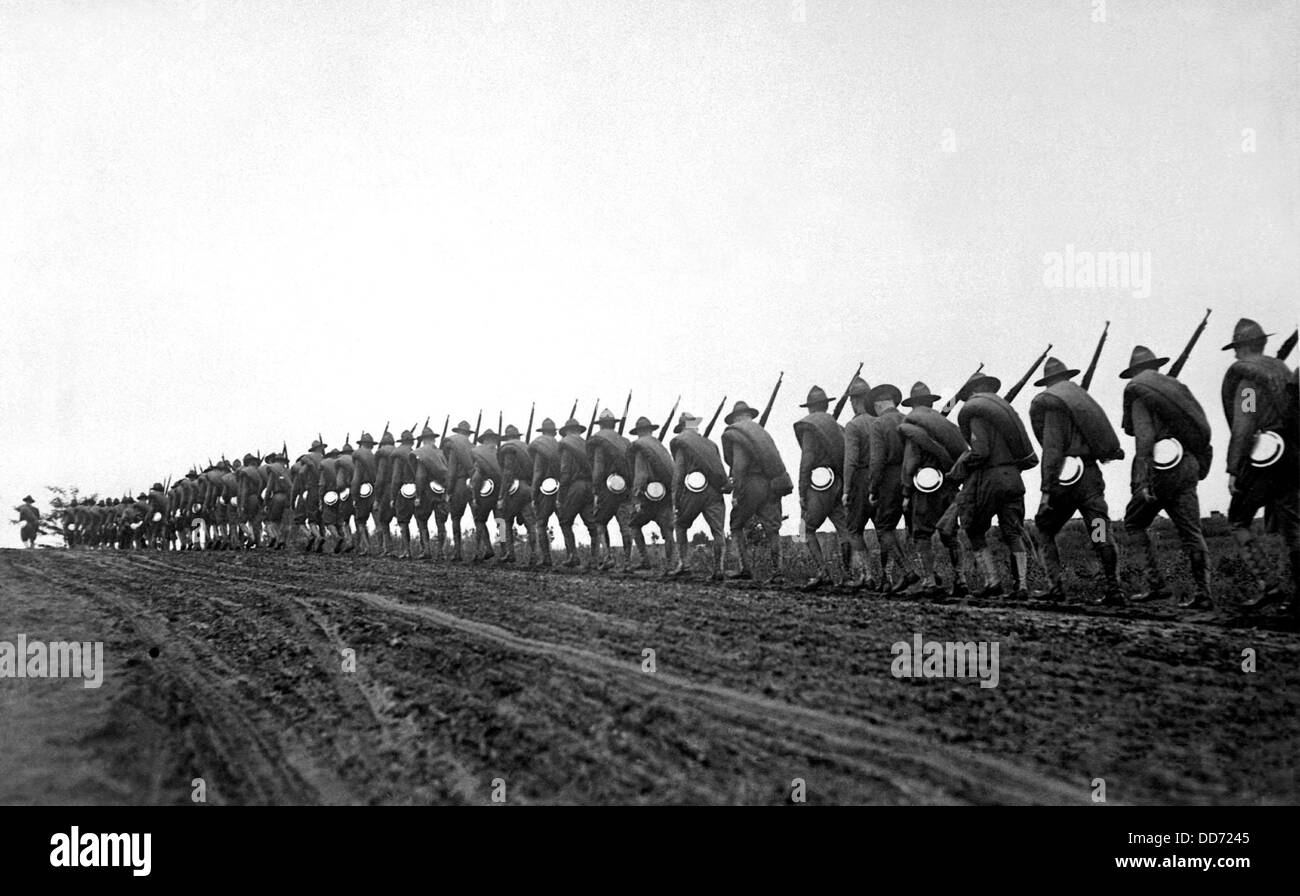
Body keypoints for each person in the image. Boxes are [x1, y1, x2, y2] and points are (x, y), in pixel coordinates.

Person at [1028, 357, 1125, 605]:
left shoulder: (1051, 406)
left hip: (1065, 480)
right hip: (1090, 477)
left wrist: (1046, 492)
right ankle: (1114, 589)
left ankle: (1056, 587)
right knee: (1100, 529)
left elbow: (1052, 450)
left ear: (1047, 382)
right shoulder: (1083, 404)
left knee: (1045, 528)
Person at [1220, 318, 1299, 614]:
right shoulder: (1282, 370)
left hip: (1265, 457)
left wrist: (1233, 469)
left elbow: (1244, 425)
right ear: (1262, 344)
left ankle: (1271, 585)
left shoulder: (1248, 379)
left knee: (1238, 520)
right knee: (1293, 525)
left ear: (1240, 348)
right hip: (1293, 455)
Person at [952, 371, 1037, 600]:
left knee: (974, 529)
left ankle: (993, 582)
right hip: (1013, 477)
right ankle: (1022, 586)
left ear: (971, 392)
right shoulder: (1007, 416)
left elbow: (981, 452)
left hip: (990, 479)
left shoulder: (976, 416)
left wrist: (961, 465)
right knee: (1012, 532)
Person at [898, 381, 970, 597]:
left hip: (925, 488)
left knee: (922, 534)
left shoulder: (914, 429)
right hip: (948, 485)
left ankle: (929, 581)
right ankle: (961, 579)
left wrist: (906, 492)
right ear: (930, 402)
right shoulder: (947, 428)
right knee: (951, 534)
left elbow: (910, 462)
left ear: (912, 406)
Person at [720, 400, 791, 585]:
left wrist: (736, 493)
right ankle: (778, 571)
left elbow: (739, 466)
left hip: (751, 484)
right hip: (771, 484)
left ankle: (745, 568)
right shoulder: (762, 434)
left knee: (736, 525)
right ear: (750, 416)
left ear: (735, 418)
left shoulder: (737, 434)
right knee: (772, 529)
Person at [863, 383, 921, 594]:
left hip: (890, 478)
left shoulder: (878, 424)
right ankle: (928, 577)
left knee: (884, 527)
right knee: (913, 528)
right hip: (914, 477)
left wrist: (872, 488)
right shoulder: (909, 418)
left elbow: (877, 460)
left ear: (878, 405)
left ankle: (907, 572)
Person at [794, 385, 851, 591]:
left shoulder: (809, 427)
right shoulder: (838, 427)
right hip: (838, 482)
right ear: (826, 405)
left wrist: (802, 492)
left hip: (818, 484)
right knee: (845, 530)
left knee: (806, 529)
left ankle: (823, 572)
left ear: (810, 408)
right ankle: (849, 575)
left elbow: (806, 460)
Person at [668, 411, 728, 580]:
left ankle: (684, 564)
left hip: (693, 491)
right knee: (718, 530)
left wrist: (675, 500)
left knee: (680, 525)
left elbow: (679, 473)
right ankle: (719, 569)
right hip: (714, 491)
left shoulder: (681, 443)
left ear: (681, 428)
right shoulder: (711, 444)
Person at [626, 416, 678, 574]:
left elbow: (641, 475)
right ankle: (672, 563)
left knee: (634, 524)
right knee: (667, 530)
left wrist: (635, 497)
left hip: (648, 496)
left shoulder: (640, 449)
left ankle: (644, 560)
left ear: (638, 432)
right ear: (651, 430)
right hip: (666, 494)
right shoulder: (660, 447)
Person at [587, 409, 634, 571]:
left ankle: (608, 557)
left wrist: (595, 490)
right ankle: (628, 562)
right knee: (625, 525)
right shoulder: (625, 441)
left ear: (600, 425)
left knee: (600, 521)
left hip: (607, 489)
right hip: (625, 488)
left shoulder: (598, 442)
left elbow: (598, 469)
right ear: (614, 425)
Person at [496, 425, 540, 565]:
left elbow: (508, 472)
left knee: (504, 520)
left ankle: (509, 552)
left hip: (515, 489)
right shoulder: (527, 447)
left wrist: (502, 496)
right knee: (530, 523)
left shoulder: (508, 448)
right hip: (528, 488)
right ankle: (535, 554)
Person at [556, 417, 596, 569]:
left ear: (566, 432)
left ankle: (573, 556)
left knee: (564, 521)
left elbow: (565, 472)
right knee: (592, 523)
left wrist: (560, 497)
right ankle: (596, 558)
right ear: (579, 431)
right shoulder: (586, 444)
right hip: (589, 486)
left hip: (575, 487)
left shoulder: (566, 445)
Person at [528, 418, 563, 568]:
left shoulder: (539, 445)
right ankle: (573, 555)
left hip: (545, 489)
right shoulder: (560, 444)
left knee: (541, 523)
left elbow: (537, 472)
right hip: (561, 487)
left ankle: (545, 557)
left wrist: (534, 494)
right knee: (564, 522)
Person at [411, 423, 449, 561]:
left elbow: (420, 477)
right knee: (441, 522)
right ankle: (441, 552)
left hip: (427, 491)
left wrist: (418, 496)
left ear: (422, 440)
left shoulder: (421, 454)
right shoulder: (441, 453)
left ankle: (426, 550)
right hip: (442, 490)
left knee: (421, 519)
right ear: (433, 439)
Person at [441, 421, 476, 562]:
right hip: (475, 483)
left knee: (455, 518)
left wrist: (448, 491)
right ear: (468, 434)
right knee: (480, 520)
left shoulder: (454, 446)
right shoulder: (473, 447)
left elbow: (451, 472)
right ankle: (488, 550)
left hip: (460, 484)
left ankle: (458, 552)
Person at [469, 429, 504, 562]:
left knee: (479, 520)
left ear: (484, 441)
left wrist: (474, 498)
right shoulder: (500, 454)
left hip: (485, 492)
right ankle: (504, 551)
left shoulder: (480, 455)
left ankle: (482, 550)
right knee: (500, 521)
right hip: (500, 491)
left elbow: (477, 478)